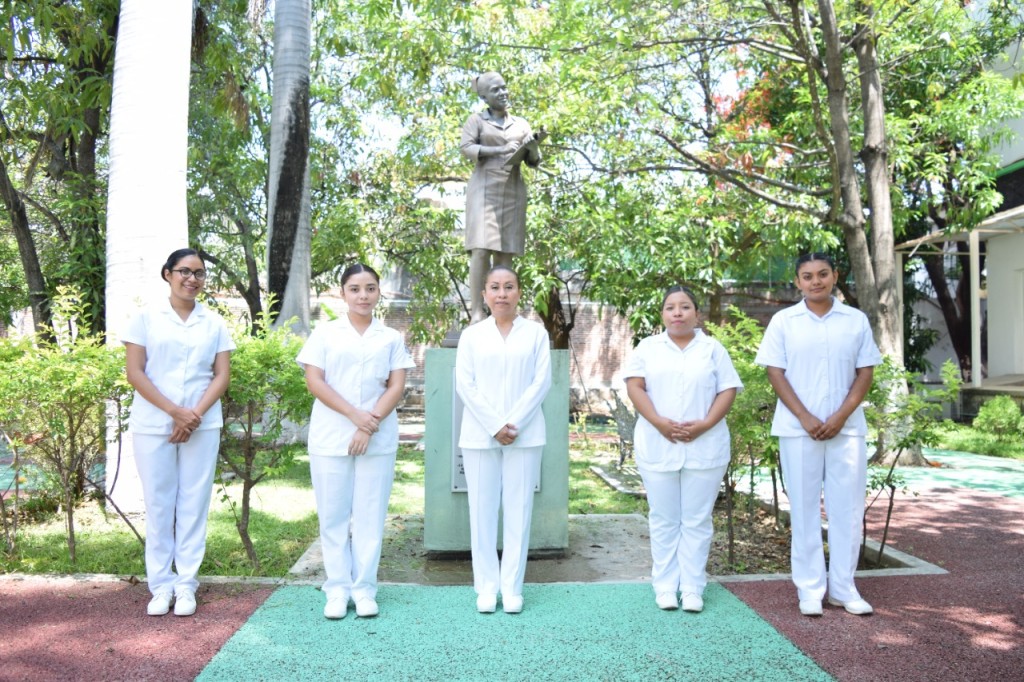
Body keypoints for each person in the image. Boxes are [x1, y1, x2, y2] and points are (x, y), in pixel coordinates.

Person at [754, 253, 882, 617]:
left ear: (835, 276)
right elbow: (775, 373)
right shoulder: (784, 322)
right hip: (798, 431)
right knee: (806, 510)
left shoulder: (855, 320)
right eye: (807, 276)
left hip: (847, 431)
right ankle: (810, 589)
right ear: (797, 282)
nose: (816, 281)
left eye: (822, 274)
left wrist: (841, 416)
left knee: (847, 509)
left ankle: (844, 588)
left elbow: (865, 372)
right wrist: (805, 416)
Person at [297, 263, 415, 620]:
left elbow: (396, 386)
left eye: (370, 288)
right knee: (333, 515)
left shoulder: (391, 337)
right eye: (354, 288)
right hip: (332, 436)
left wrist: (368, 424)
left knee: (369, 516)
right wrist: (354, 416)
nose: (363, 295)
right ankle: (337, 589)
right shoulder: (325, 334)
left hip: (376, 438)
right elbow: (315, 381)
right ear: (342, 293)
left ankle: (364, 589)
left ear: (379, 292)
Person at [123, 248, 235, 617]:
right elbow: (136, 372)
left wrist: (193, 415)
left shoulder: (214, 322)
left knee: (193, 504)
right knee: (159, 504)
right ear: (167, 274)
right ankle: (160, 585)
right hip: (154, 424)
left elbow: (221, 375)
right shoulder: (145, 318)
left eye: (199, 273)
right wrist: (174, 412)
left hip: (203, 425)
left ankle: (186, 584)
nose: (192, 279)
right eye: (184, 271)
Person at [623, 286, 742, 613]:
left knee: (697, 520)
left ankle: (692, 588)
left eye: (685, 307)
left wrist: (705, 424)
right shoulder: (648, 348)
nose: (677, 313)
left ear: (696, 314)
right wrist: (660, 422)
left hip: (705, 446)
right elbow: (635, 385)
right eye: (671, 307)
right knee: (663, 517)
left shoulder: (713, 349)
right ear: (662, 314)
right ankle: (664, 586)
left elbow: (728, 390)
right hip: (657, 443)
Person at [455, 266, 551, 614]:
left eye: (509, 287)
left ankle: (512, 588)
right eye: (494, 287)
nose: (502, 294)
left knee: (519, 510)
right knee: (481, 511)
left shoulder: (536, 334)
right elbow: (465, 385)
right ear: (484, 294)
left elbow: (541, 383)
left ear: (519, 292)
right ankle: (486, 587)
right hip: (480, 435)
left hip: (525, 436)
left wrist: (513, 423)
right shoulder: (472, 336)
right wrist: (495, 424)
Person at [460, 71, 547, 323]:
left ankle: (503, 312)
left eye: (504, 88)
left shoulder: (520, 123)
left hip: (512, 189)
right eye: (495, 90)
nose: (502, 93)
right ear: (485, 96)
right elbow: (466, 148)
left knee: (505, 251)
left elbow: (533, 162)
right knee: (480, 248)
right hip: (484, 189)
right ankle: (477, 311)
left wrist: (533, 146)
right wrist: (498, 149)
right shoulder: (476, 120)